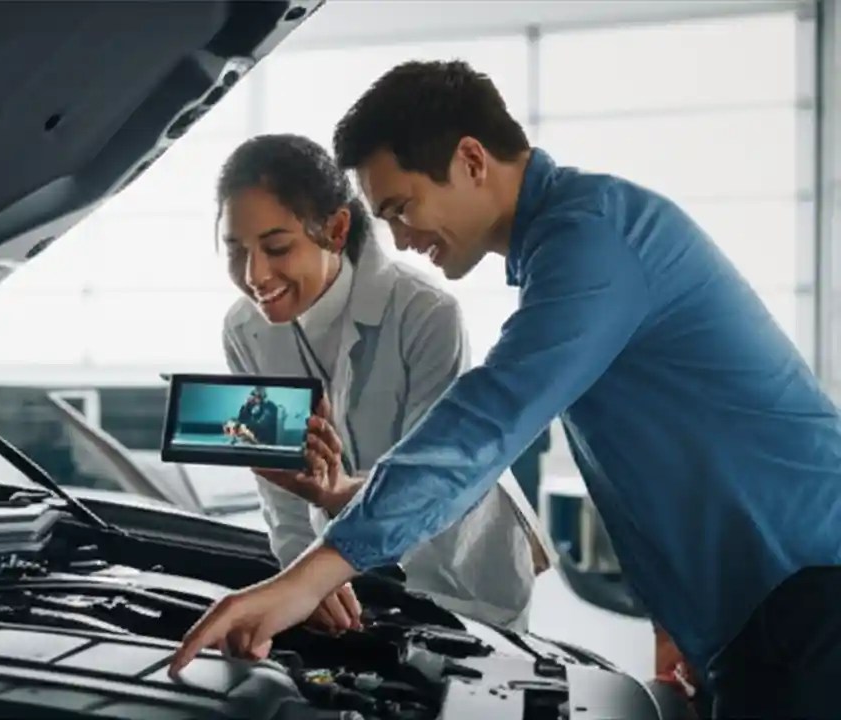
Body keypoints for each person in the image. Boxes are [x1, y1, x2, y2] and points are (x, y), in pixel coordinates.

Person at [171, 60, 841, 719]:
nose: (399, 240)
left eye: (401, 209)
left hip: (809, 589)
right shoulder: (572, 241)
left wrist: (307, 579)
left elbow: (480, 427)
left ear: (470, 160)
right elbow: (651, 463)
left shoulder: (594, 242)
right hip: (755, 607)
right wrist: (677, 617)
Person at [215, 133, 548, 633]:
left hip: (460, 567)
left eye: (277, 247)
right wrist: (296, 569)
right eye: (234, 250)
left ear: (336, 228)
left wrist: (330, 517)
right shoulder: (244, 330)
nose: (254, 274)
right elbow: (280, 488)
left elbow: (431, 486)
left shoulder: (425, 314)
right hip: (346, 573)